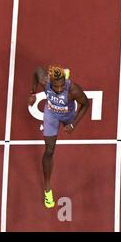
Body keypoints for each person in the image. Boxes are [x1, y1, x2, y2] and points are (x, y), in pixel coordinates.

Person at [28, 65, 89, 208]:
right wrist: (32, 92)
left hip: (68, 115)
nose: (59, 89)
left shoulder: (73, 89)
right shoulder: (45, 81)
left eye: (62, 85)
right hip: (51, 115)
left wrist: (73, 124)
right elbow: (36, 71)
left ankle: (63, 72)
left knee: (69, 120)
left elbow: (86, 104)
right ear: (50, 82)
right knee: (49, 150)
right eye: (56, 86)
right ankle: (47, 189)